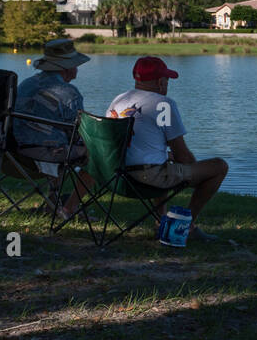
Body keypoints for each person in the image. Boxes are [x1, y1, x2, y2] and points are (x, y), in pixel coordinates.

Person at [107, 56, 228, 242]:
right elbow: (183, 156)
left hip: (117, 175)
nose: (167, 83)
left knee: (163, 160)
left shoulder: (119, 100)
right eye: (167, 79)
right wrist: (195, 171)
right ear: (160, 82)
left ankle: (160, 221)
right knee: (219, 166)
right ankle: (184, 227)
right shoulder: (163, 105)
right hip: (148, 177)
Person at [14, 38, 92, 215]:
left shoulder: (26, 84)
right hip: (48, 155)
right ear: (67, 68)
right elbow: (81, 132)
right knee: (97, 156)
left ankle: (53, 202)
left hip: (16, 153)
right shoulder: (69, 93)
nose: (77, 68)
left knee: (59, 139)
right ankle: (69, 207)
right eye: (75, 64)